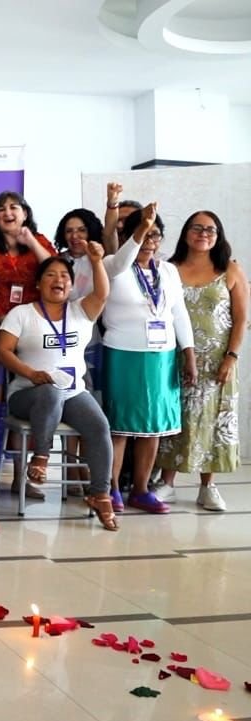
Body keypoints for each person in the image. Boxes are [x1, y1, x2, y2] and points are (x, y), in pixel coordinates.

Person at [0, 250, 118, 530]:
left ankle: (100, 494)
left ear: (72, 285)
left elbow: (102, 292)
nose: (58, 280)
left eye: (64, 276)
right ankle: (41, 456)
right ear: (38, 283)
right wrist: (32, 374)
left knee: (99, 426)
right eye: (50, 275)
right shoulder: (22, 314)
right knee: (50, 392)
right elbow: (2, 351)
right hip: (27, 393)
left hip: (73, 392)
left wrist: (98, 261)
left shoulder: (81, 311)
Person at [100, 204, 196, 514]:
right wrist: (140, 230)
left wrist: (188, 353)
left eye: (155, 234)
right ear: (129, 237)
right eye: (143, 234)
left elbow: (178, 313)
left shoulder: (167, 271)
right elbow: (124, 258)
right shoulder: (113, 264)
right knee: (121, 426)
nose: (150, 241)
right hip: (123, 354)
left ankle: (140, 490)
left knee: (153, 426)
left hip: (162, 356)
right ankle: (111, 487)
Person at [156, 210, 246, 511]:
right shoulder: (169, 268)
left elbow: (241, 318)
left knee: (212, 420)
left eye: (211, 229)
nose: (203, 233)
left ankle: (208, 486)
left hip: (217, 361)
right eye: (197, 228)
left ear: (218, 236)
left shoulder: (229, 269)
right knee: (175, 418)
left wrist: (231, 357)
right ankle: (166, 482)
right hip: (174, 357)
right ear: (186, 233)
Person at [0, 192, 56, 405]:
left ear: (24, 214)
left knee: (30, 381)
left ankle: (24, 436)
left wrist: (31, 242)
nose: (8, 212)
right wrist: (3, 319)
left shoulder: (39, 241)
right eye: (1, 209)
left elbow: (55, 272)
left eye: (13, 207)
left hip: (33, 327)